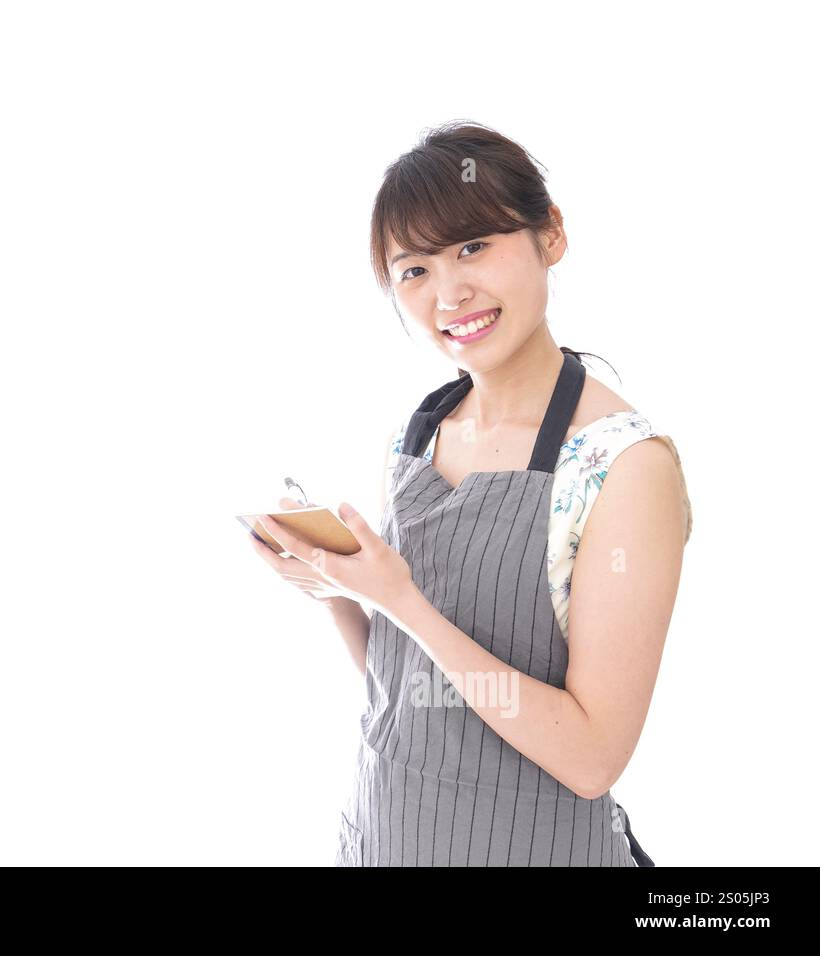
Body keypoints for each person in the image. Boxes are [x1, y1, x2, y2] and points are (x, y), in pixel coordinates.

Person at [248, 121, 692, 866]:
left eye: (472, 247)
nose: (449, 293)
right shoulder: (422, 433)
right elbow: (414, 684)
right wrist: (336, 591)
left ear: (550, 235)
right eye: (413, 270)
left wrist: (405, 602)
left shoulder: (622, 465)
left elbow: (591, 757)